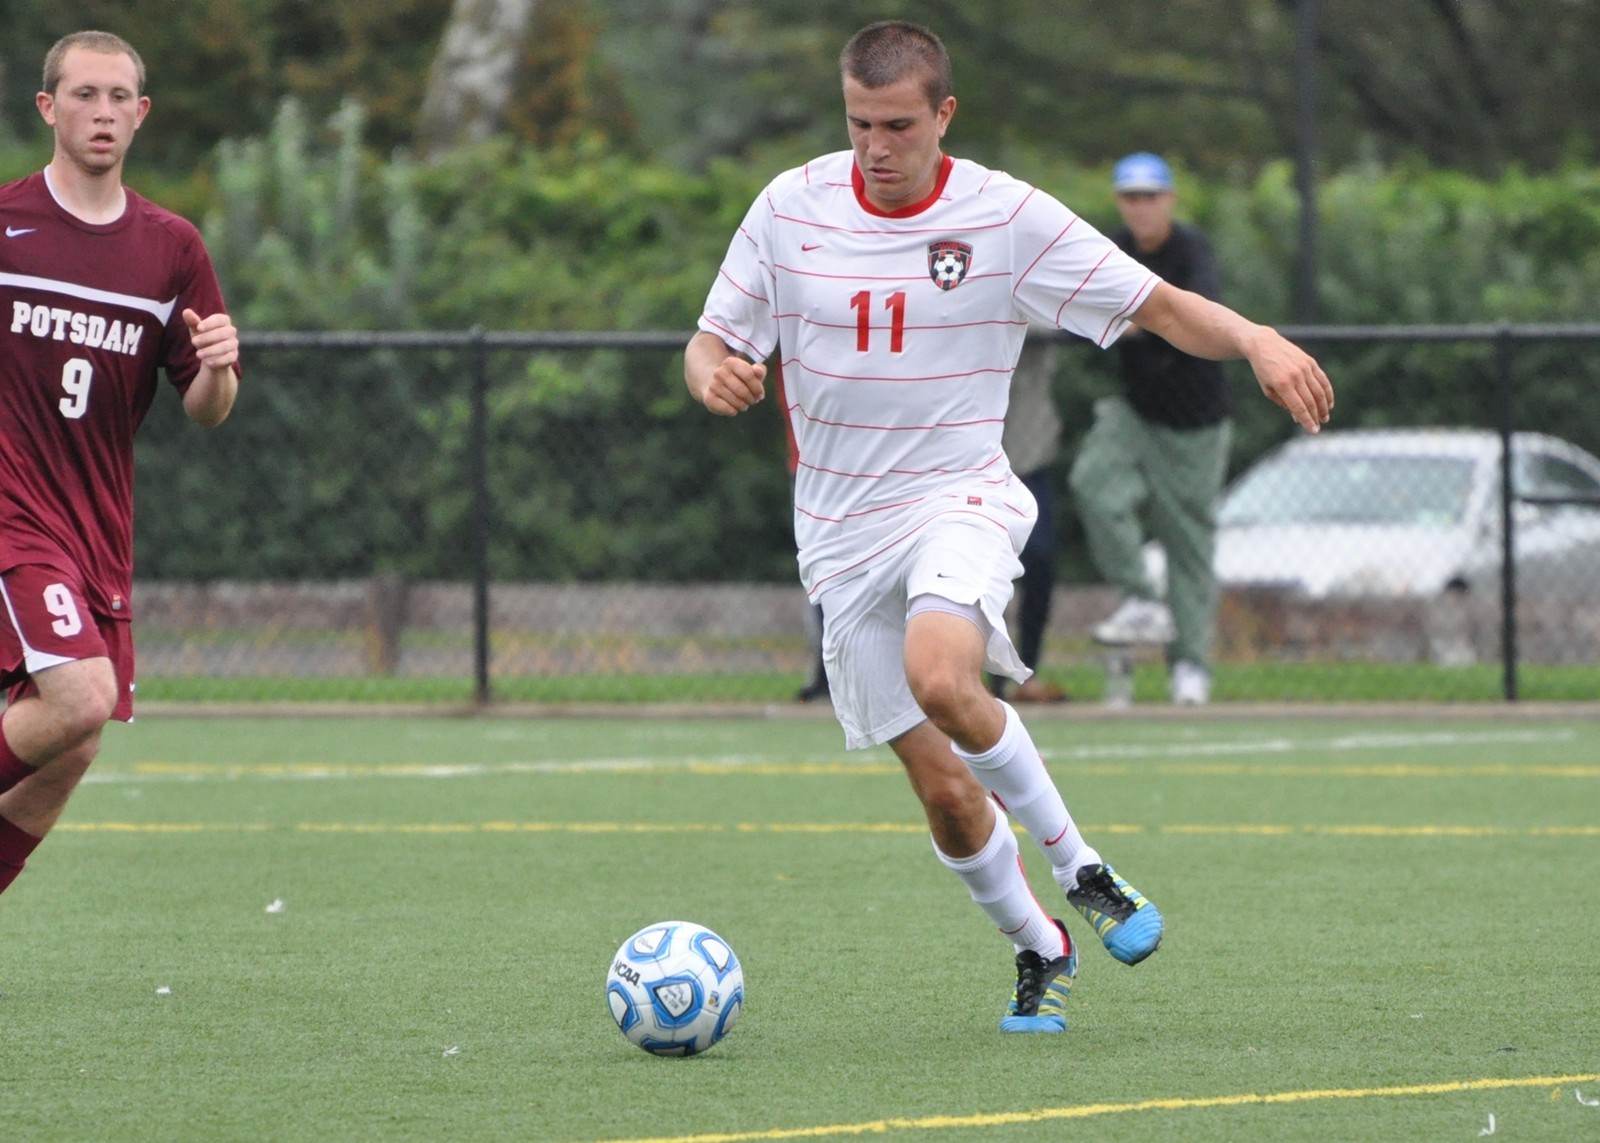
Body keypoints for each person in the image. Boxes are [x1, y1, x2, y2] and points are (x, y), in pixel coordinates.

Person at [683, 21, 1332, 1032]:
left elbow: (1155, 305)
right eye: (858, 122)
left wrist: (1253, 337)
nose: (874, 146)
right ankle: (1038, 942)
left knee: (945, 677)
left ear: (943, 115)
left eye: (897, 124)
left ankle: (1080, 866)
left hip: (959, 496)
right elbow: (711, 338)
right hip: (838, 535)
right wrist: (714, 373)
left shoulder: (1004, 217)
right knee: (942, 793)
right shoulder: (787, 208)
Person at [0, 31, 240, 899]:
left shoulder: (171, 248)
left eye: (117, 99)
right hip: (11, 511)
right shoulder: (7, 226)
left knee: (73, 746)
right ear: (48, 108)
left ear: (140, 115)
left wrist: (216, 366)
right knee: (79, 697)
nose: (101, 113)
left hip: (94, 528)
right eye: (83, 95)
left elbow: (208, 410)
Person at [1071, 153, 1233, 705]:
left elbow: (1193, 313)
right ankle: (1142, 597)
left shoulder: (1191, 249)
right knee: (1092, 483)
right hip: (1134, 409)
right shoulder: (1112, 246)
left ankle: (1190, 666)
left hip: (1194, 422)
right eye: (1130, 197)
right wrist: (1140, 321)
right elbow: (1088, 312)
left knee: (1188, 542)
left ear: (1169, 199)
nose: (1140, 207)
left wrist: (1134, 321)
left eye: (1150, 196)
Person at [992, 331, 1067, 703]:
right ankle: (984, 675)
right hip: (975, 463)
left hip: (1028, 462)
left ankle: (1024, 671)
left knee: (1038, 559)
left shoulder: (1028, 292)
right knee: (979, 569)